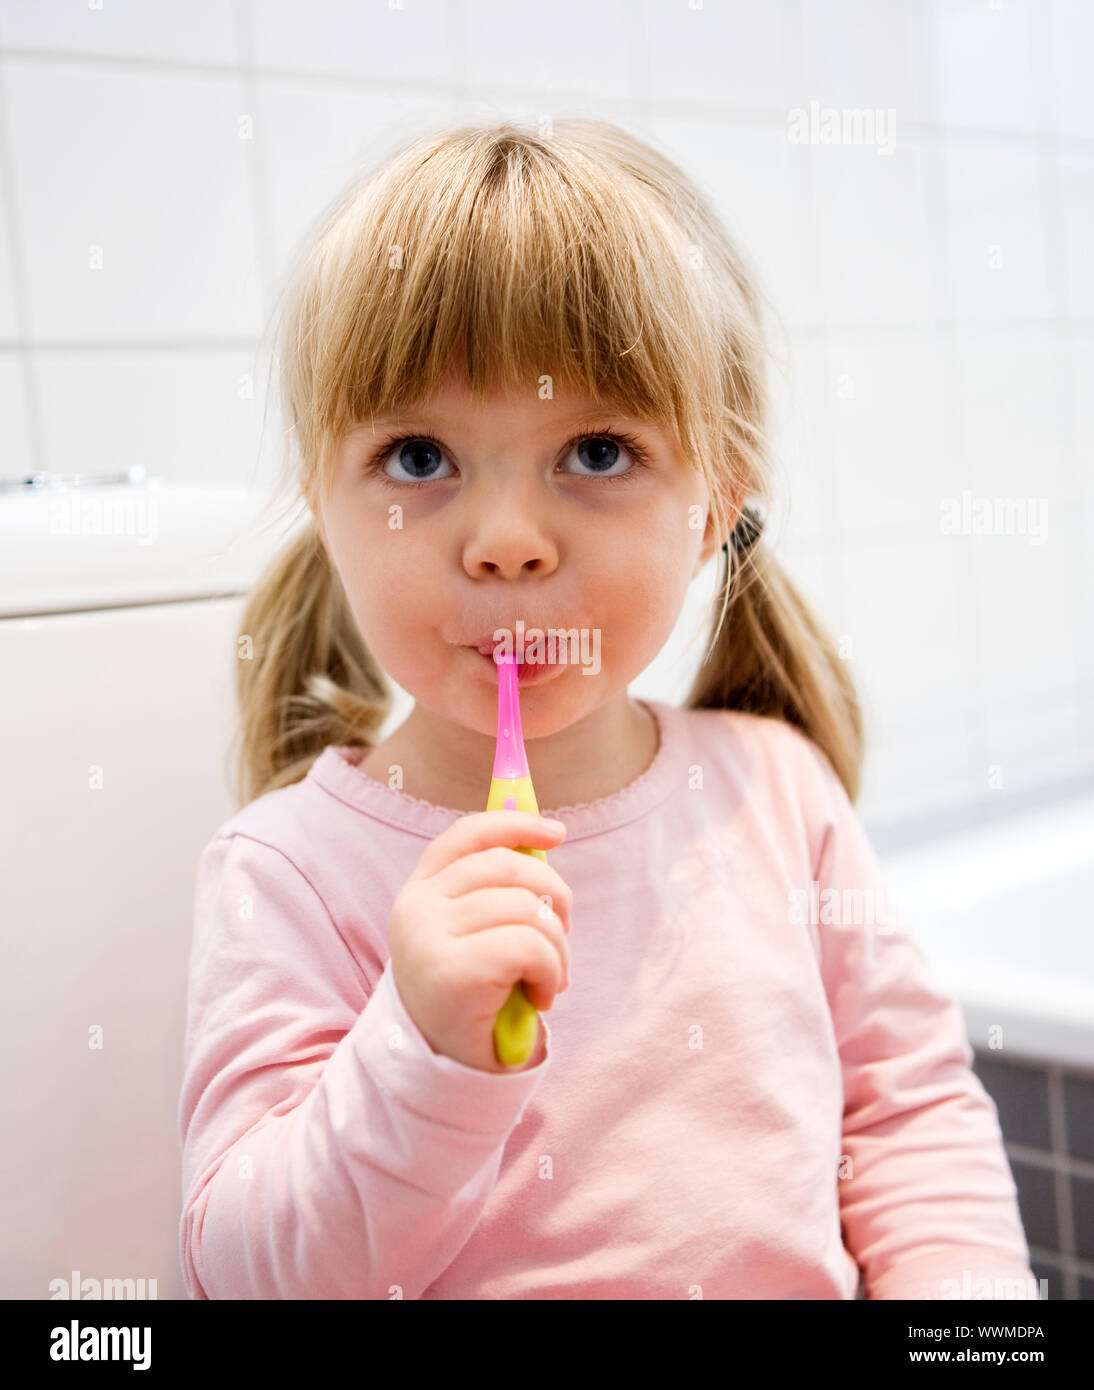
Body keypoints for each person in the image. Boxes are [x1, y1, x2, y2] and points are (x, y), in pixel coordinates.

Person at [177, 119, 1035, 1300]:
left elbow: (908, 1115)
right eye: (419, 459)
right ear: (324, 506)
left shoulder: (774, 790)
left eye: (593, 450)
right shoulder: (288, 871)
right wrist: (416, 1051)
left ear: (716, 499)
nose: (507, 544)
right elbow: (244, 1274)